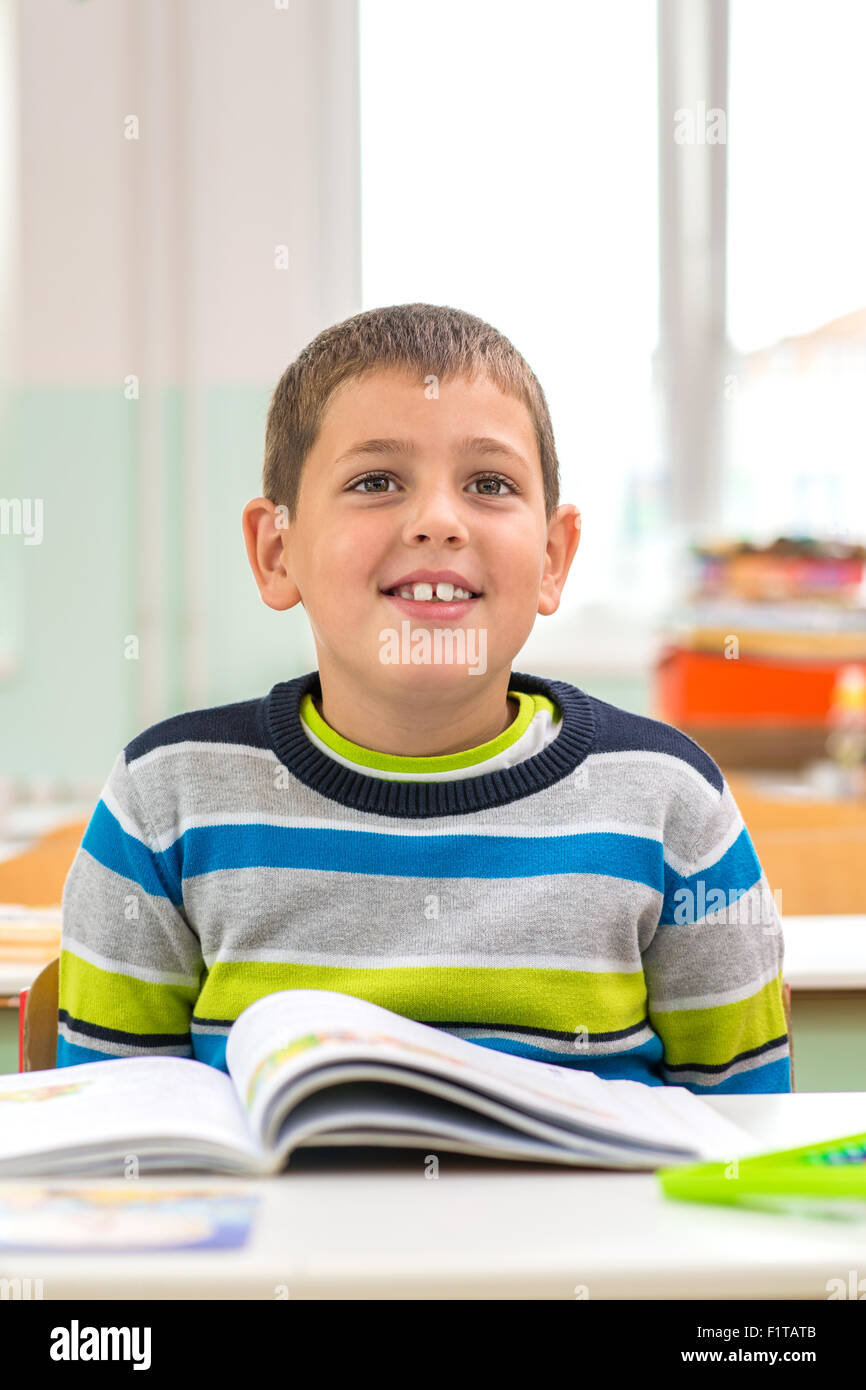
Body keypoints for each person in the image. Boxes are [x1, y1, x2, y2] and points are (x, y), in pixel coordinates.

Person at [56, 303, 791, 1093]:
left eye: (489, 483)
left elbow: (742, 1137)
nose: (438, 521)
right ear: (277, 552)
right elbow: (114, 1146)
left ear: (552, 556)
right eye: (376, 481)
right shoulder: (164, 802)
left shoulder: (671, 804)